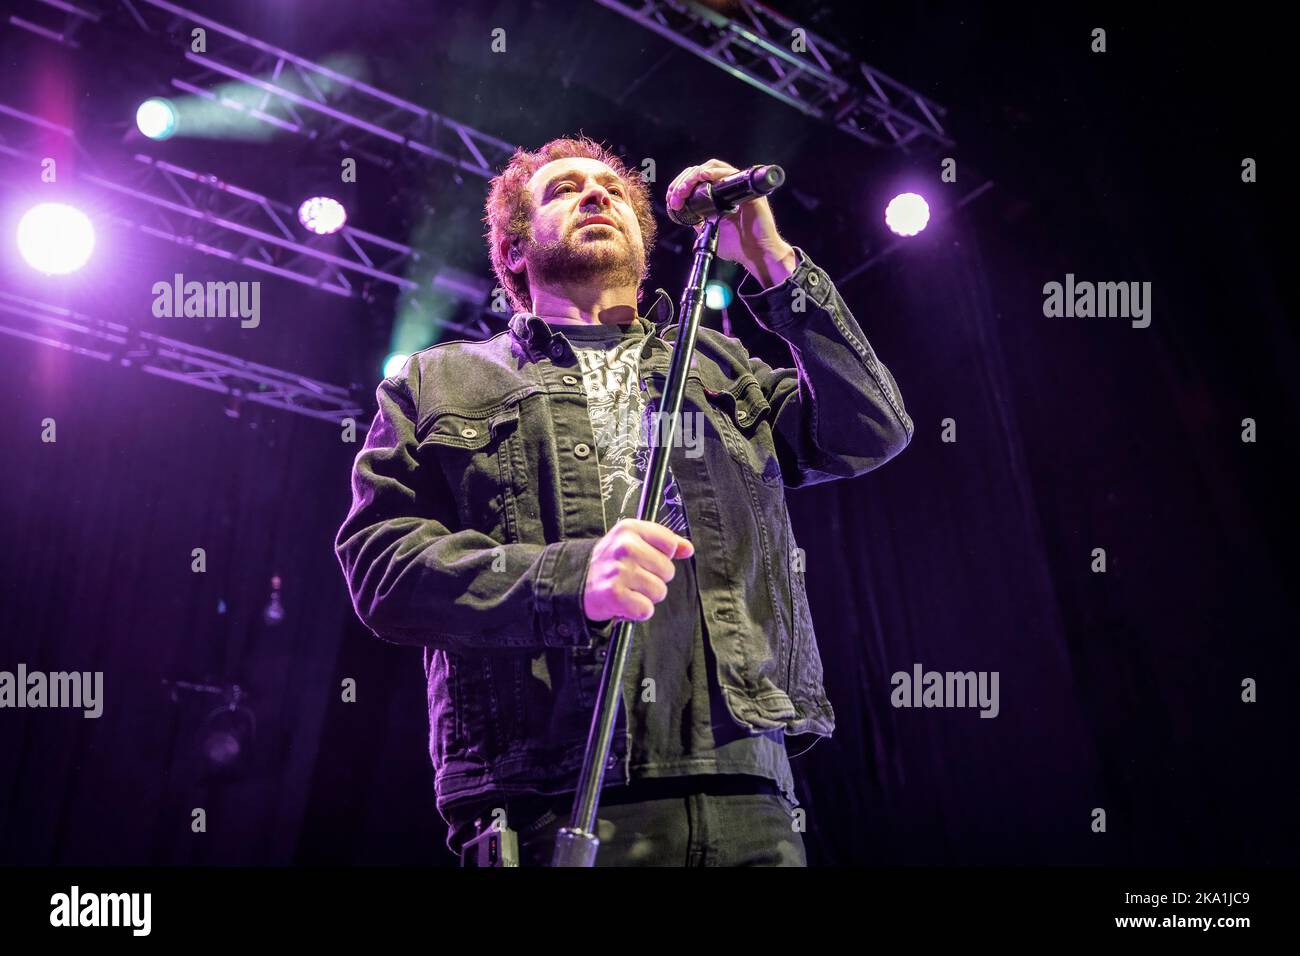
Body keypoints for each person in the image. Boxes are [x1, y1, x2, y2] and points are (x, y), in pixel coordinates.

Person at [334, 135, 912, 866]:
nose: (596, 194)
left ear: (645, 246)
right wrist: (571, 578)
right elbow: (383, 570)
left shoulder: (721, 367)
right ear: (515, 250)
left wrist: (773, 262)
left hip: (747, 792)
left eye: (611, 188)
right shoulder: (441, 383)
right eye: (564, 189)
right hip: (553, 798)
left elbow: (872, 430)